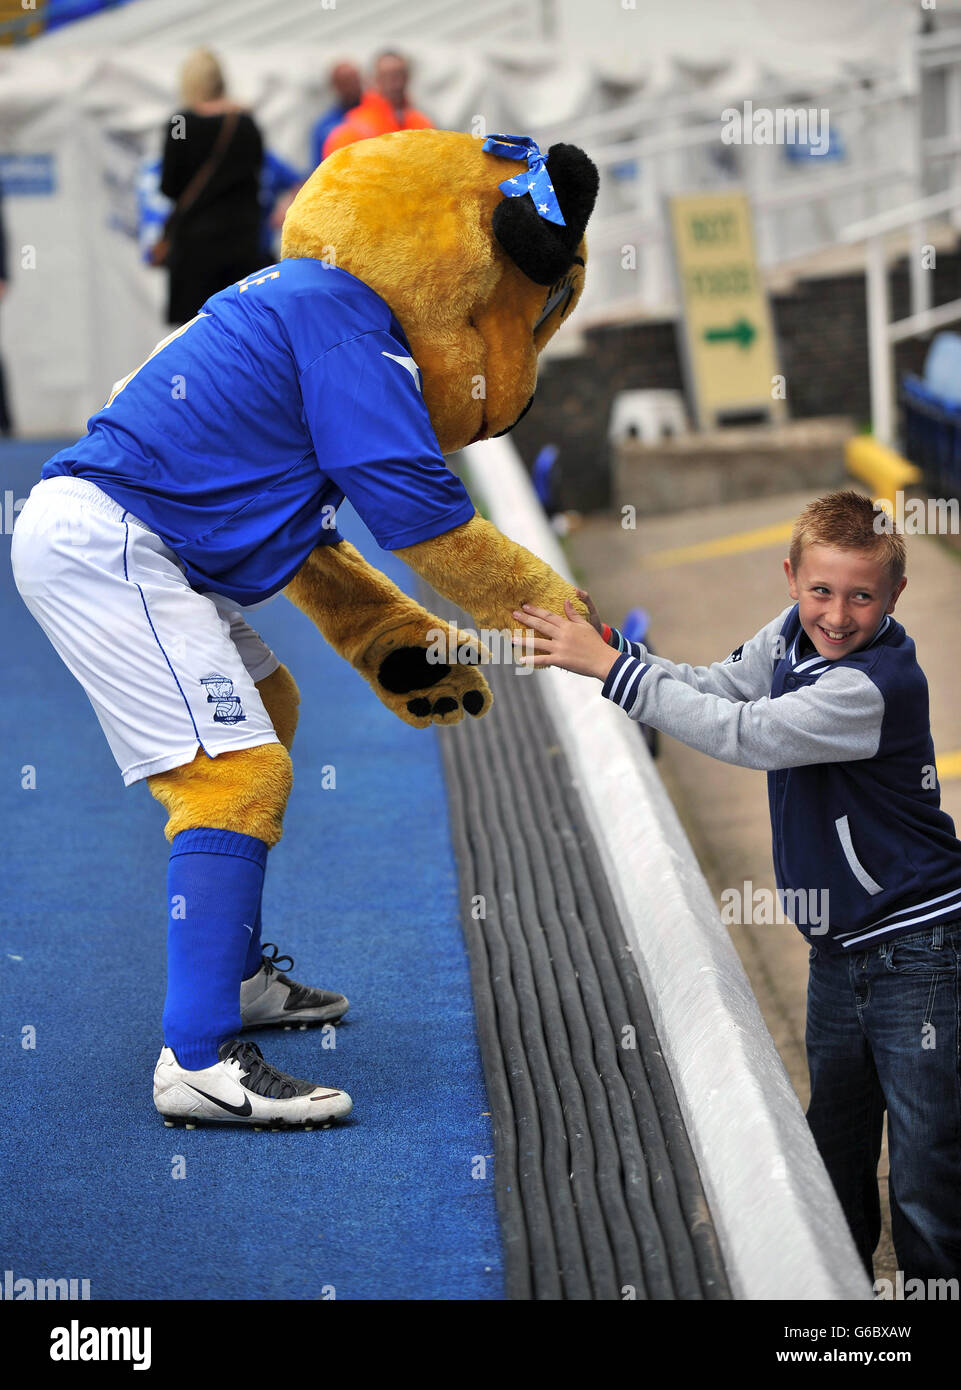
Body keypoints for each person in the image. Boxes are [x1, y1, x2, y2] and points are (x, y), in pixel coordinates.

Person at [512, 489, 961, 1284]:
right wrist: (611, 644)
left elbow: (742, 734)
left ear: (894, 595)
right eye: (820, 589)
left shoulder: (872, 686)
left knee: (927, 1164)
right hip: (837, 949)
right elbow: (714, 687)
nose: (836, 613)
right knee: (835, 1144)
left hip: (916, 946)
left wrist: (611, 672)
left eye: (861, 595)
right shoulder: (787, 637)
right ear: (789, 577)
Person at [160, 49, 264, 325]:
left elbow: (169, 187)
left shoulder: (180, 123)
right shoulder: (244, 121)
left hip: (195, 249)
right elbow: (258, 172)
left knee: (195, 334)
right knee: (241, 330)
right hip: (241, 244)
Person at [322, 50, 431, 159]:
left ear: (408, 77)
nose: (395, 82)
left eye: (399, 74)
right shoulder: (355, 126)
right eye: (386, 76)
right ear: (374, 79)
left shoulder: (421, 122)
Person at [309, 60, 362, 169]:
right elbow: (318, 167)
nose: (351, 86)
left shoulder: (377, 113)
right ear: (335, 86)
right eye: (345, 82)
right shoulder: (324, 126)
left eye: (354, 80)